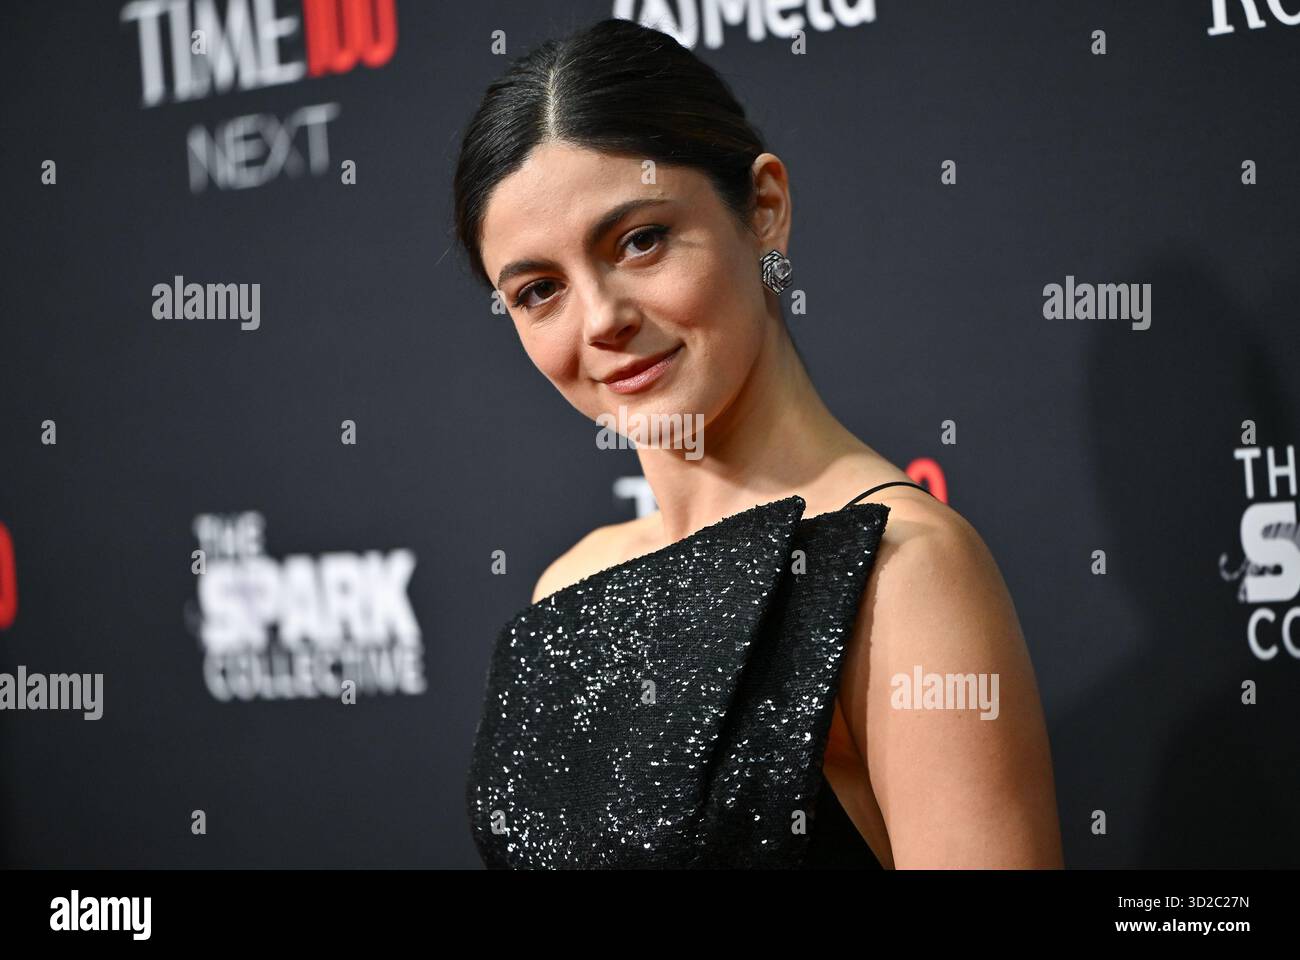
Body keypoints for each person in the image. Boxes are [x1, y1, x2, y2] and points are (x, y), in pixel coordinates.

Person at [455, 17, 1062, 869]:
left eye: (640, 240)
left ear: (765, 210)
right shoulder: (571, 584)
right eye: (538, 290)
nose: (601, 320)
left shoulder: (899, 574)